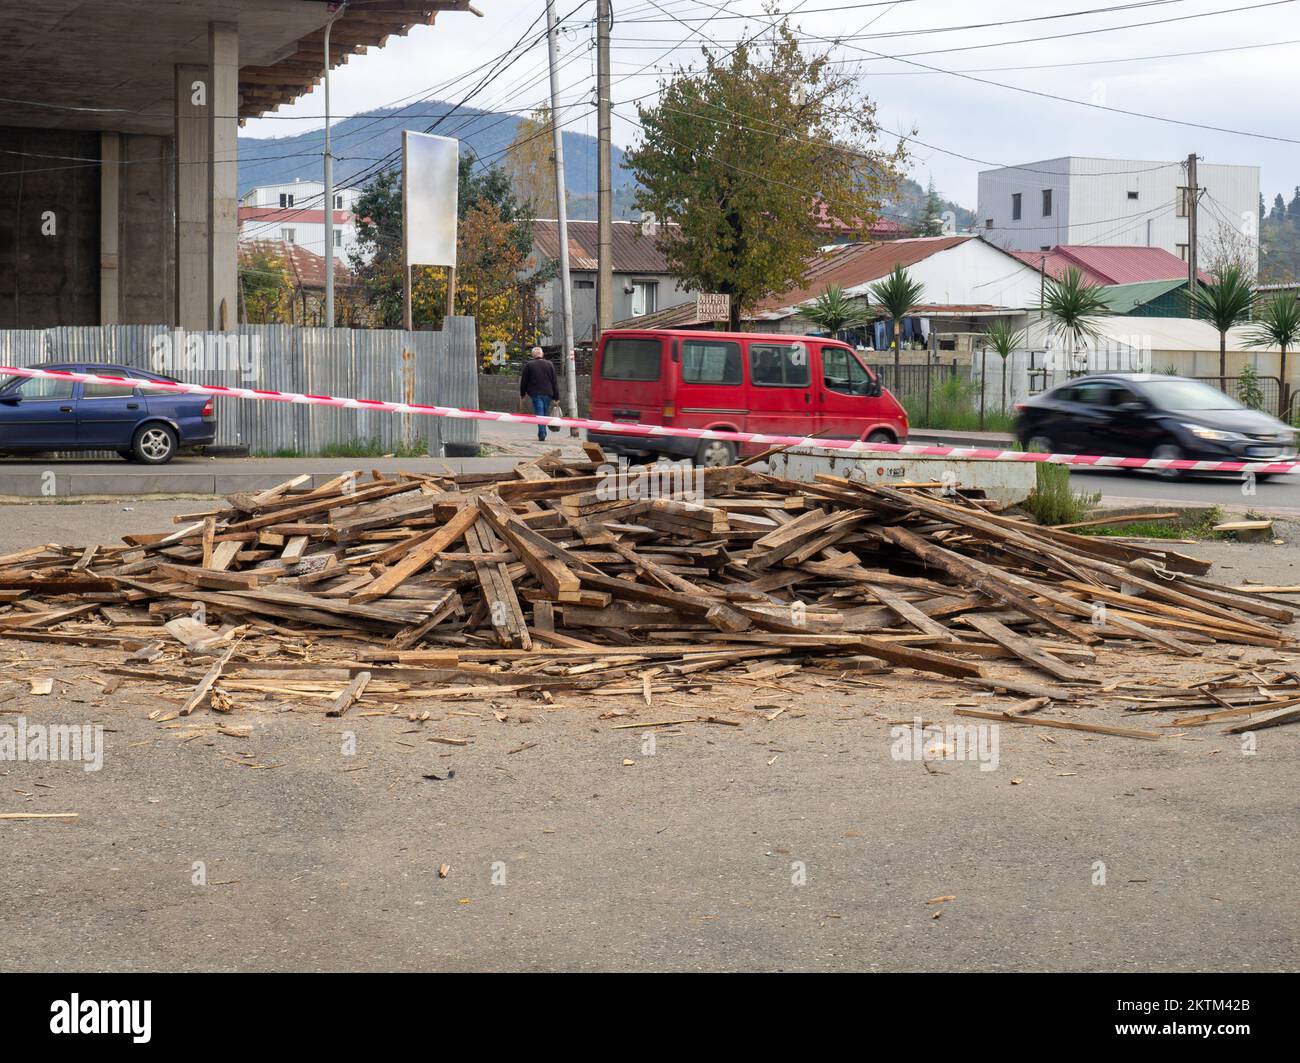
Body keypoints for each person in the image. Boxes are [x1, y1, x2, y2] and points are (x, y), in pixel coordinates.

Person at [519, 346, 560, 442]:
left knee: (539, 413)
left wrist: (522, 394)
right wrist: (556, 397)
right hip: (548, 393)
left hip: (535, 393)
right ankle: (542, 432)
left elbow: (524, 381)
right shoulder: (550, 364)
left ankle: (542, 433)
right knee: (544, 413)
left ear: (533, 355)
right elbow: (554, 381)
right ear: (542, 354)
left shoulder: (529, 365)